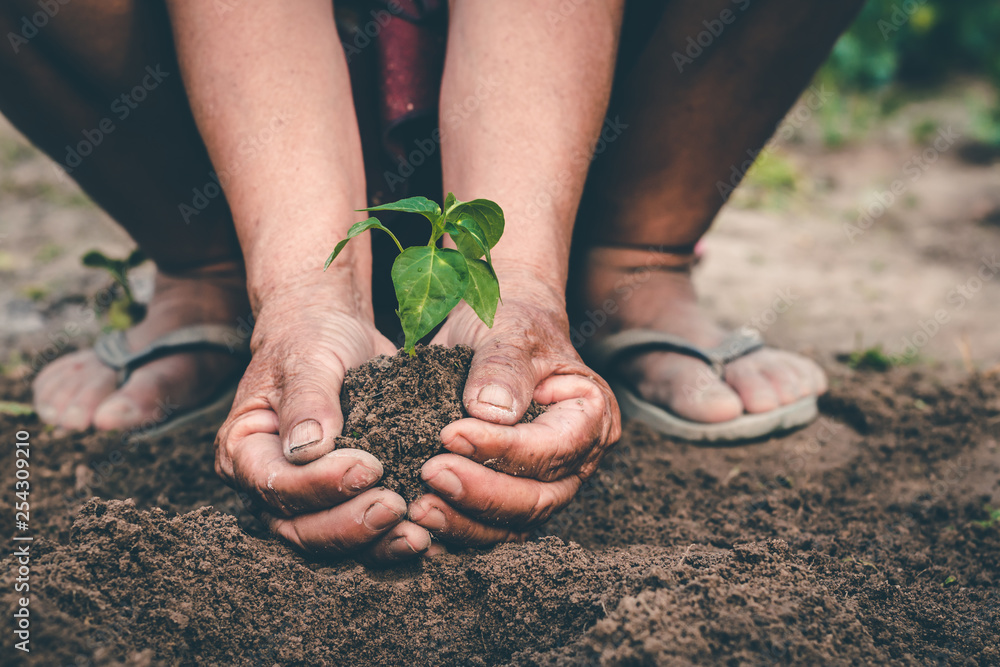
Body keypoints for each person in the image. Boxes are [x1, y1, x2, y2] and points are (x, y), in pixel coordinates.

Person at [2, 0, 863, 564]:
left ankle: (640, 248)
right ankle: (213, 264)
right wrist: (307, 289)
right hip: (250, 99)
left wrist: (518, 279)